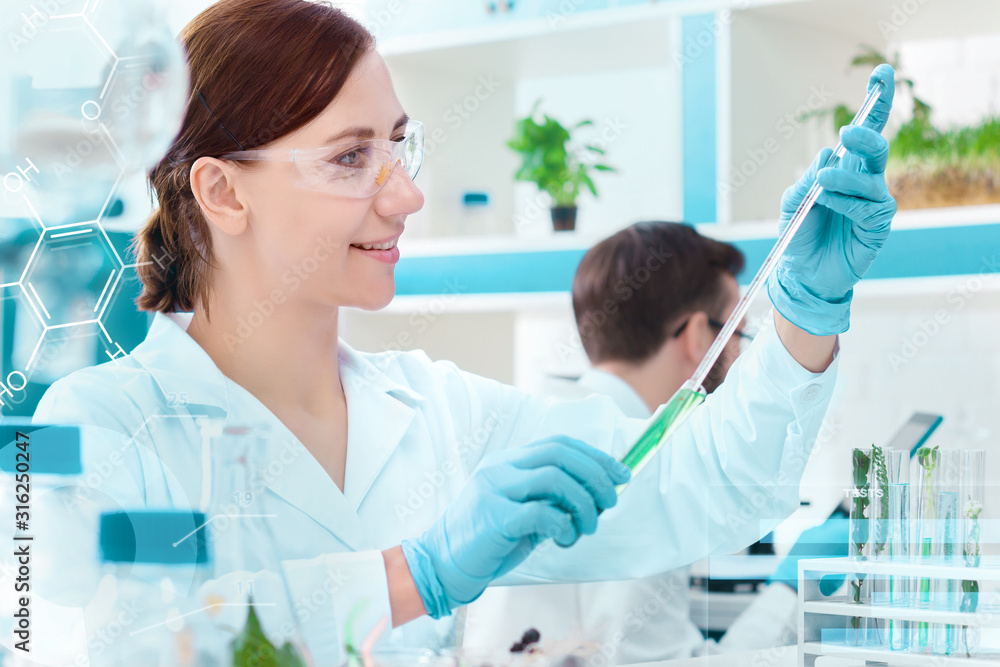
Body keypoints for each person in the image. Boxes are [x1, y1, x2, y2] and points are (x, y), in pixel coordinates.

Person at [29, 0, 896, 663]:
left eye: (401, 147)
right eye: (349, 156)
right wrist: (416, 574)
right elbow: (88, 643)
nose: (405, 194)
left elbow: (697, 486)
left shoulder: (439, 412)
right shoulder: (89, 428)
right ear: (222, 192)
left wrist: (801, 315)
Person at [465, 222, 849, 663]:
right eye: (738, 335)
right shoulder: (637, 469)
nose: (739, 354)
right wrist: (790, 588)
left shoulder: (538, 421)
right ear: (699, 336)